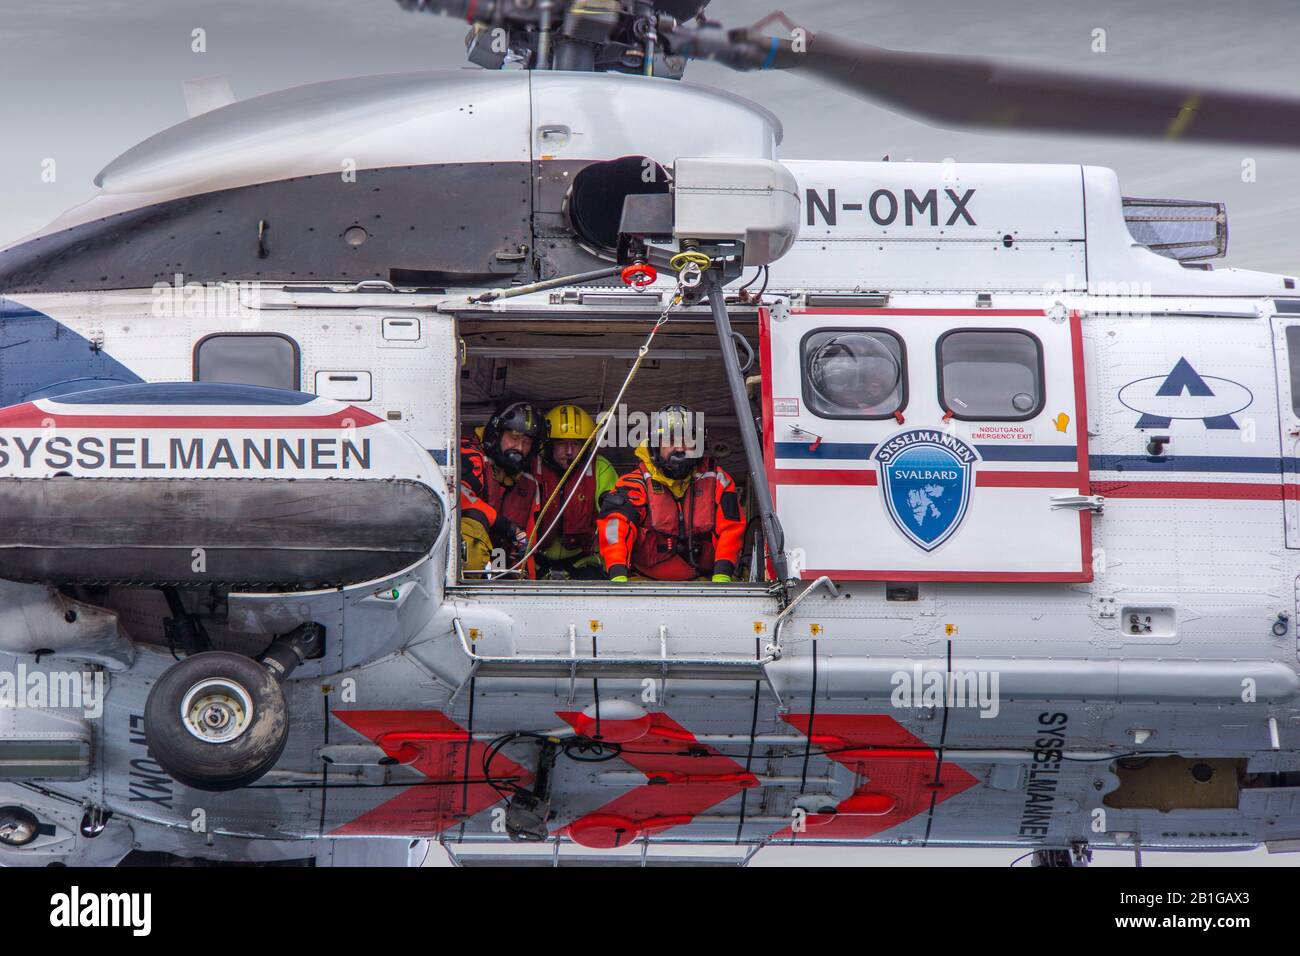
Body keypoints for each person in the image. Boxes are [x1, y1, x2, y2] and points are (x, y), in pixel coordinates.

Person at [597, 403, 745, 582]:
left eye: (688, 441)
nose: (680, 448)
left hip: (707, 581)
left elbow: (731, 528)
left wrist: (722, 576)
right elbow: (615, 528)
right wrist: (618, 576)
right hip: (643, 582)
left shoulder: (717, 481)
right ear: (655, 445)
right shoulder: (635, 483)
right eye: (670, 440)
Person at [532, 404, 618, 580]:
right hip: (536, 561)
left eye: (577, 443)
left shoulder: (600, 469)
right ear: (548, 445)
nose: (570, 451)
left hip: (584, 562)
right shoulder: (532, 467)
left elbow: (614, 520)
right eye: (562, 443)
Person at [459, 401, 543, 578]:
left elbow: (528, 541)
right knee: (472, 521)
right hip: (468, 570)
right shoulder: (471, 457)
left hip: (503, 570)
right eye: (513, 438)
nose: (519, 448)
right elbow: (461, 497)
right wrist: (510, 528)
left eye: (526, 442)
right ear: (497, 434)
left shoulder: (528, 483)